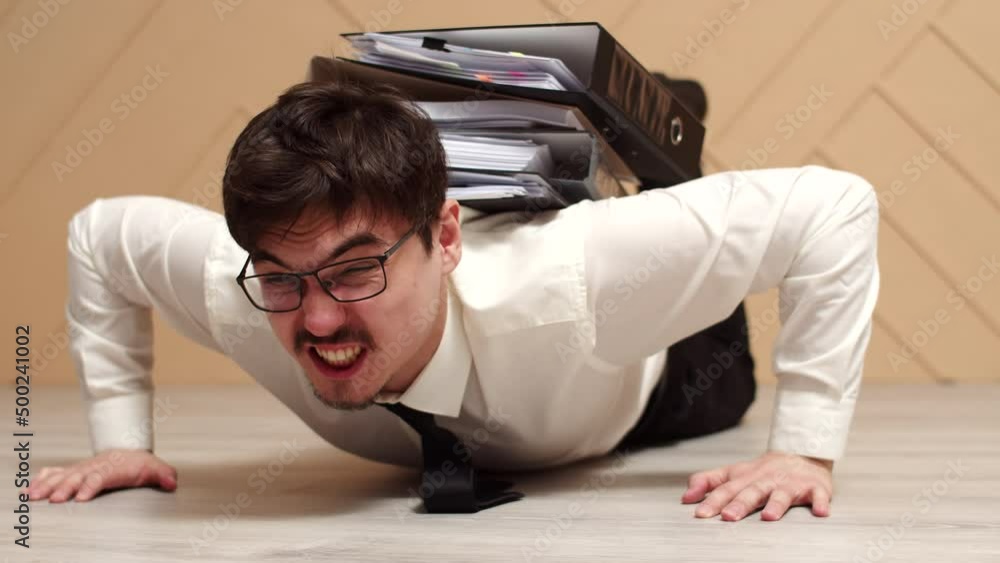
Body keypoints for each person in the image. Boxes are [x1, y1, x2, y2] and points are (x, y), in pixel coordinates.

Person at [24, 80, 879, 521]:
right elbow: (98, 235)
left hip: (656, 377)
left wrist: (805, 450)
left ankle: (657, 117)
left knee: (663, 210)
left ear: (445, 236)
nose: (317, 319)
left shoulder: (577, 275)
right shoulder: (238, 285)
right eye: (286, 277)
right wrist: (119, 440)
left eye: (357, 269)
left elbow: (836, 207)